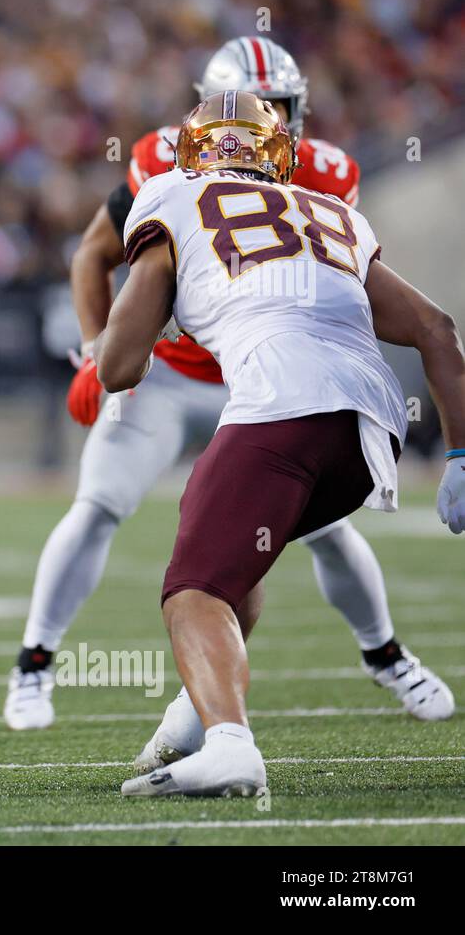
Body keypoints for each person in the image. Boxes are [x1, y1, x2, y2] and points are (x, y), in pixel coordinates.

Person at [5, 37, 454, 741]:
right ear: (197, 130)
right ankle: (34, 661)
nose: (256, 126)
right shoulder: (161, 166)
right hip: (174, 369)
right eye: (243, 114)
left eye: (275, 109)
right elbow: (95, 254)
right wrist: (102, 351)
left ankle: (384, 654)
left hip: (267, 374)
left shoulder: (324, 172)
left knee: (315, 533)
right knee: (99, 503)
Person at [92, 90, 465, 796]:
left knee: (193, 590)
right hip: (369, 432)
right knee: (233, 566)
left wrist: (158, 325)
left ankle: (231, 742)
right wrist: (461, 455)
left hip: (283, 404)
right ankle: (197, 717)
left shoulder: (172, 193)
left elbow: (116, 366)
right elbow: (438, 329)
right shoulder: (335, 213)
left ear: (191, 152)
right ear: (279, 155)